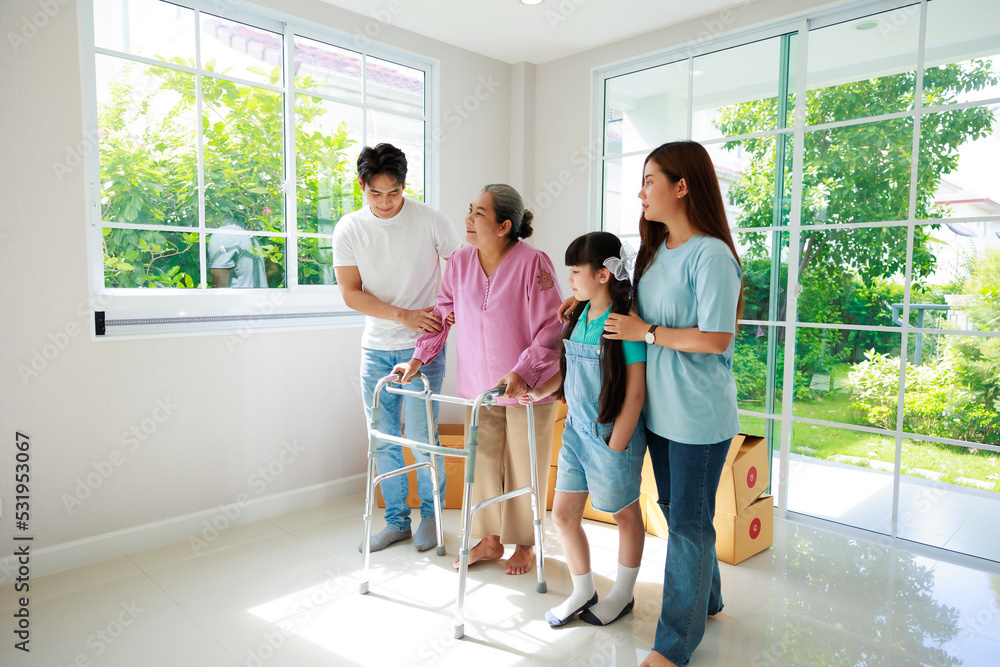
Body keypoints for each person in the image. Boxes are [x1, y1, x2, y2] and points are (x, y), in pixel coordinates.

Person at [601, 141, 744, 667]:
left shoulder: (711, 255)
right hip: (660, 412)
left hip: (698, 418)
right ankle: (707, 599)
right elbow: (632, 315)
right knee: (681, 516)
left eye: (649, 180)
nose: (641, 192)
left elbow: (716, 338)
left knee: (686, 525)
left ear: (681, 186)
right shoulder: (655, 250)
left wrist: (650, 332)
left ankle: (672, 646)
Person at [393, 184, 563, 575]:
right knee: (483, 463)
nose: (468, 219)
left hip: (526, 388)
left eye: (479, 213)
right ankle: (489, 540)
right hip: (478, 388)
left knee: (524, 463)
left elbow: (552, 328)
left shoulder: (534, 263)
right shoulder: (461, 262)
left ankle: (524, 544)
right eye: (469, 210)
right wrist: (417, 359)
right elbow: (441, 314)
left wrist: (524, 372)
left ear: (504, 226)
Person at [333, 143, 462, 553]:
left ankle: (431, 517)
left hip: (422, 350)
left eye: (394, 192)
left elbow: (463, 272)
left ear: (405, 185)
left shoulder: (430, 220)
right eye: (376, 194)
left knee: (423, 437)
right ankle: (395, 521)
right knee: (383, 439)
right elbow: (352, 294)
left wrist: (452, 308)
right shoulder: (349, 229)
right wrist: (402, 314)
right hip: (375, 348)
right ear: (361, 186)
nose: (386, 203)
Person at [519, 231, 648, 627]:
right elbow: (567, 372)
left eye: (576, 271)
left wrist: (616, 444)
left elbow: (636, 393)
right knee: (563, 515)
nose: (570, 279)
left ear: (603, 275)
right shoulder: (577, 315)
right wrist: (539, 389)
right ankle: (582, 590)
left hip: (612, 434)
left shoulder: (623, 325)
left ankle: (623, 595)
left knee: (625, 514)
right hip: (576, 431)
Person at [208, 219, 268, 287]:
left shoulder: (223, 235)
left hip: (240, 297)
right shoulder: (250, 236)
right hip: (261, 296)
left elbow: (219, 287)